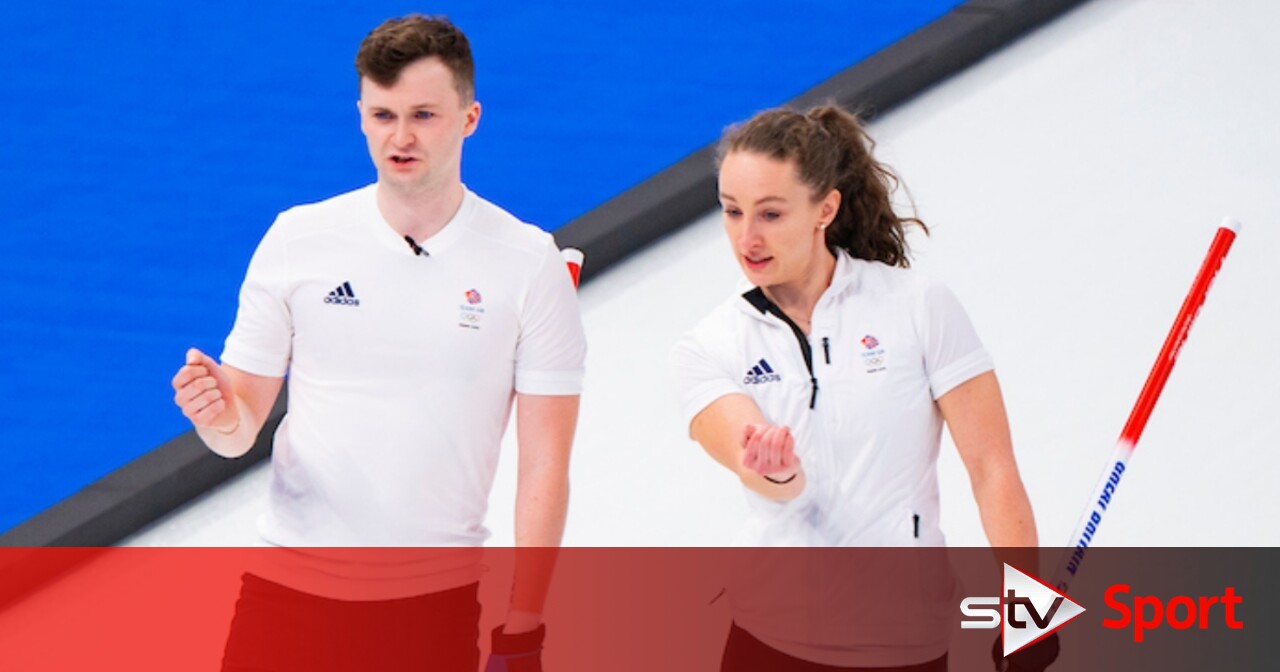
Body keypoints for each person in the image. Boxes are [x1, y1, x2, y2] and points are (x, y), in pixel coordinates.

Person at [170, 15, 585, 671]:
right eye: (383, 114)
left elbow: (544, 469)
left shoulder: (529, 264)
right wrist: (217, 412)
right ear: (361, 115)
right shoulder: (295, 240)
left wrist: (524, 626)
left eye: (424, 114)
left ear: (470, 117)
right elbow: (236, 432)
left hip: (433, 606)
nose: (401, 137)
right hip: (283, 596)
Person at [670, 105, 1057, 672]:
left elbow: (992, 467)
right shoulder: (708, 345)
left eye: (771, 214)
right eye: (732, 212)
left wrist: (1028, 612)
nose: (746, 238)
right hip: (769, 643)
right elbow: (763, 472)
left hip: (906, 646)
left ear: (825, 208)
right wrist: (775, 469)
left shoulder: (919, 306)